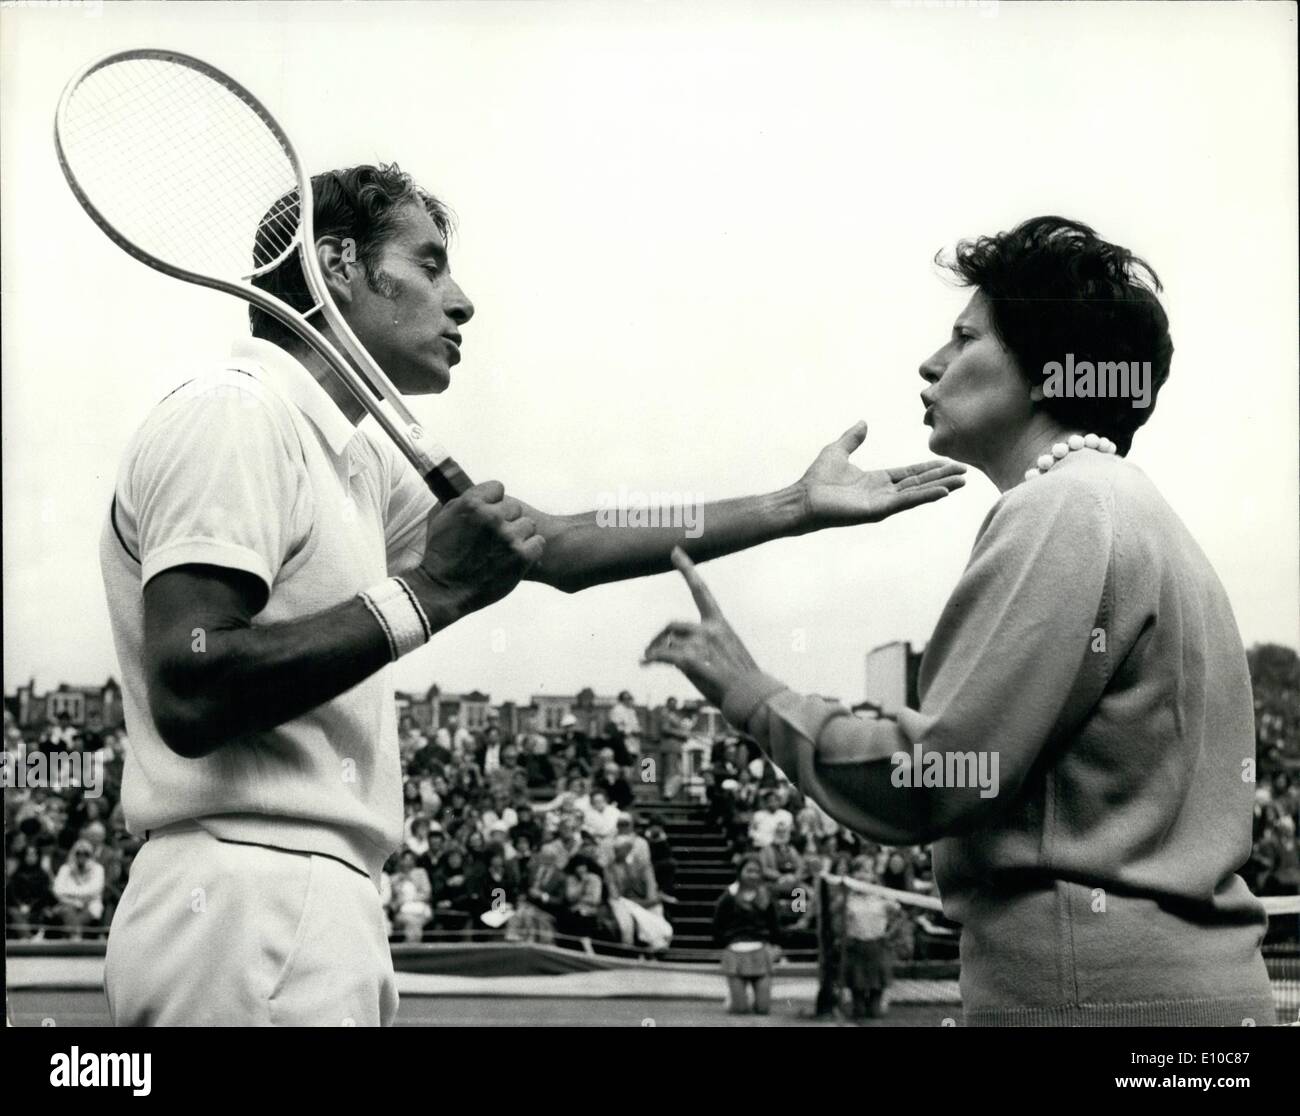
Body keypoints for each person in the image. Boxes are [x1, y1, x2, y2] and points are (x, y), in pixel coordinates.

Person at [100, 162, 961, 1028]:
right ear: (337, 266)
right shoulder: (234, 414)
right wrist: (430, 594)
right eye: (431, 266)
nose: (462, 300)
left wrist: (792, 505)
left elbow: (558, 546)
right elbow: (193, 683)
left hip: (312, 896)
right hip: (244, 898)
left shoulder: (351, 457)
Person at [645, 217, 1276, 1027]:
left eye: (964, 336)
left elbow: (943, 772)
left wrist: (752, 693)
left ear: (1051, 374)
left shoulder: (1064, 507)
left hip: (1089, 999)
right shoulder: (1133, 508)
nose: (931, 362)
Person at [712, 857, 780, 1016]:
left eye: (756, 871)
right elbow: (717, 925)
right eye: (749, 871)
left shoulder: (766, 895)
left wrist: (775, 945)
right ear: (740, 873)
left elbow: (774, 924)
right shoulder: (729, 896)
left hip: (760, 951)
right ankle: (735, 998)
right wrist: (728, 944)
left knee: (763, 1009)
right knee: (740, 1010)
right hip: (735, 952)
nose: (753, 875)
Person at [840, 855, 901, 1021]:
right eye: (858, 871)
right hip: (855, 949)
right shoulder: (846, 898)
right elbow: (837, 919)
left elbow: (900, 916)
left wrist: (889, 935)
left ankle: (876, 1005)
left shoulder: (883, 896)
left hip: (877, 949)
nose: (862, 875)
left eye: (866, 871)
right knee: (858, 1012)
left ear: (873, 875)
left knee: (875, 1014)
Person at [52, 840, 105, 941]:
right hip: (68, 903)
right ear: (74, 854)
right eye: (78, 853)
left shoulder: (98, 869)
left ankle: (74, 936)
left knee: (89, 911)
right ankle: (76, 936)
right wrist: (74, 901)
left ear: (91, 855)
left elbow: (95, 890)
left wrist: (71, 893)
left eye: (86, 853)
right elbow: (57, 890)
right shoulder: (65, 868)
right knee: (68, 910)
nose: (82, 856)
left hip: (90, 904)